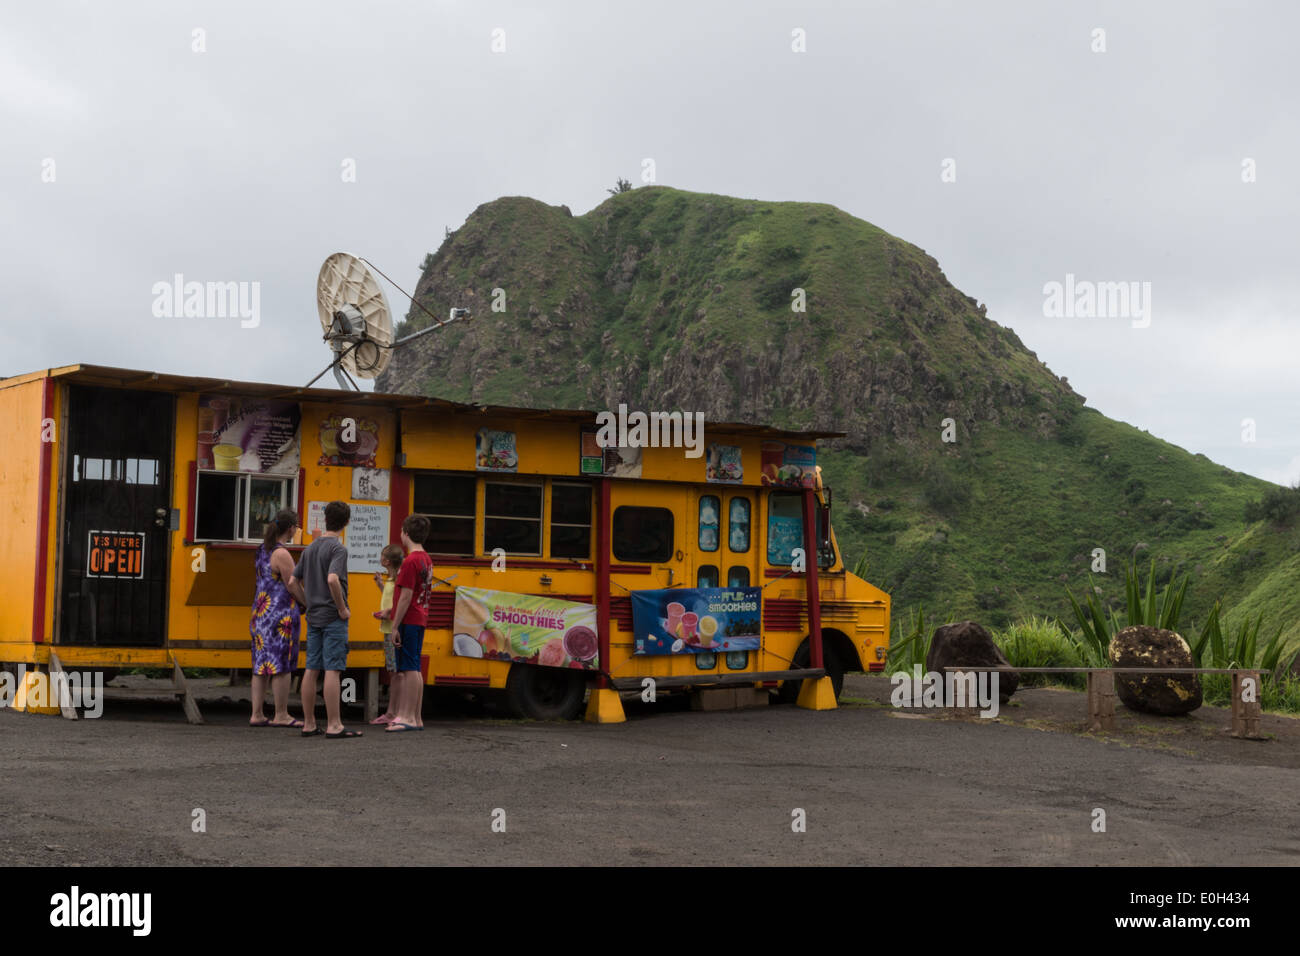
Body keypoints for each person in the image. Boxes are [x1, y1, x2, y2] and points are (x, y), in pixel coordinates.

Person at [291, 500, 361, 739]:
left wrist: (307, 602)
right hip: (332, 617)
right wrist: (342, 608)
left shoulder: (310, 548)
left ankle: (309, 723)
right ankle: (334, 724)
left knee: (311, 669)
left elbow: (292, 582)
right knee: (333, 669)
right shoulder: (338, 549)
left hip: (314, 617)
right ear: (347, 522)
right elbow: (333, 579)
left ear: (325, 519)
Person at [249, 509, 306, 727]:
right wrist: (307, 603)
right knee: (282, 664)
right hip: (280, 616)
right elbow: (292, 584)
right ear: (291, 528)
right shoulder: (282, 554)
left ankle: (257, 713)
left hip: (261, 613)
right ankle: (281, 714)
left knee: (261, 664)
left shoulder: (262, 549)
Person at [385, 514, 433, 733]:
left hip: (409, 618)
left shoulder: (410, 561)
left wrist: (394, 625)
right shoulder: (426, 559)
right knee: (415, 667)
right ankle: (416, 715)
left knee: (409, 667)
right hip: (420, 615)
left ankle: (407, 716)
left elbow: (405, 595)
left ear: (405, 532)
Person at [369, 544, 405, 725]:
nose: (380, 558)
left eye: (382, 556)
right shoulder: (391, 579)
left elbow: (400, 604)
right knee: (393, 671)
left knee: (395, 672)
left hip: (392, 629)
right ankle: (394, 711)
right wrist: (381, 586)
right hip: (388, 628)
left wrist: (388, 613)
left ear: (388, 561)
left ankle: (393, 713)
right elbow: (392, 600)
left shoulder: (398, 580)